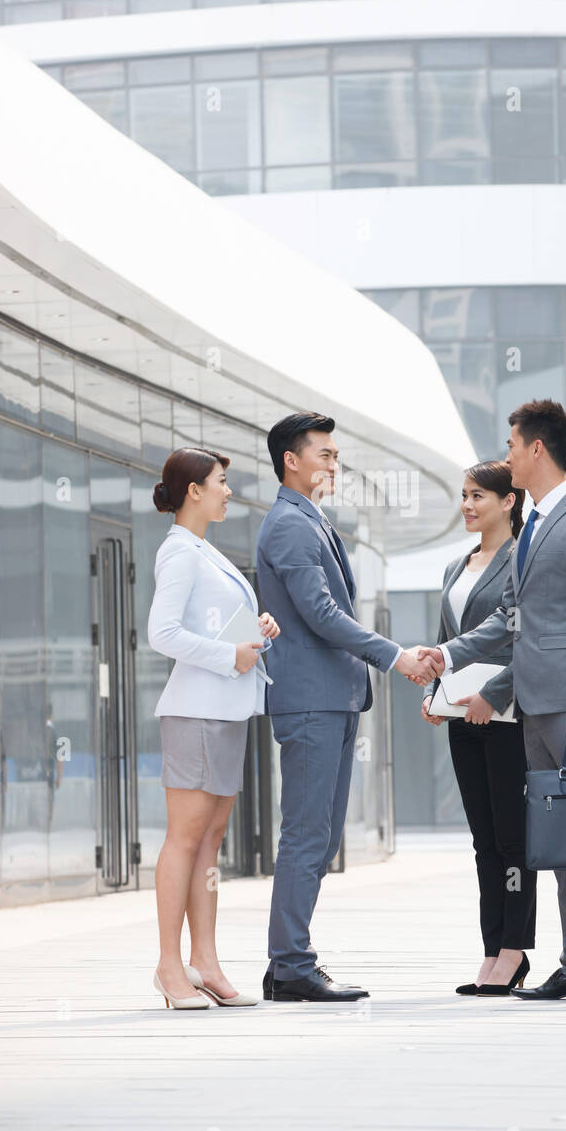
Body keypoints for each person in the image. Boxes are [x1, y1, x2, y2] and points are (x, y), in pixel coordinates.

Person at [417, 400, 566, 1006]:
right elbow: (511, 620)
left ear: (536, 449)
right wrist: (446, 656)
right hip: (532, 707)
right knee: (563, 841)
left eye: (510, 445)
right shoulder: (532, 530)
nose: (506, 455)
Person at [256, 412, 431, 1002]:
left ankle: (289, 961)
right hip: (311, 702)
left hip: (330, 699)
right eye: (325, 455)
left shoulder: (310, 519)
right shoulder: (289, 524)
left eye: (336, 455)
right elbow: (323, 615)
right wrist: (395, 656)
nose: (335, 464)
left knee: (322, 837)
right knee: (307, 835)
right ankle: (290, 965)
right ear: (292, 461)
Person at [147, 447, 280, 1010]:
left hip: (225, 712)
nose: (229, 491)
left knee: (210, 840)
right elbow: (162, 633)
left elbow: (208, 626)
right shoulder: (180, 552)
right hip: (197, 712)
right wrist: (230, 654)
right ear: (194, 491)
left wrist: (254, 630)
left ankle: (205, 961)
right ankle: (169, 966)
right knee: (185, 838)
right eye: (221, 481)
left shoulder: (204, 550)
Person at [421, 462, 536, 997]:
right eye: (464, 495)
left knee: (513, 837)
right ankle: (492, 949)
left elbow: (525, 638)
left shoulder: (523, 559)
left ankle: (515, 949)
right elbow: (446, 635)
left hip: (506, 714)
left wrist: (496, 693)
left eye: (478, 496)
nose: (467, 505)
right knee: (483, 839)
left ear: (508, 501)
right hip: (460, 715)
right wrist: (433, 693)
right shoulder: (455, 566)